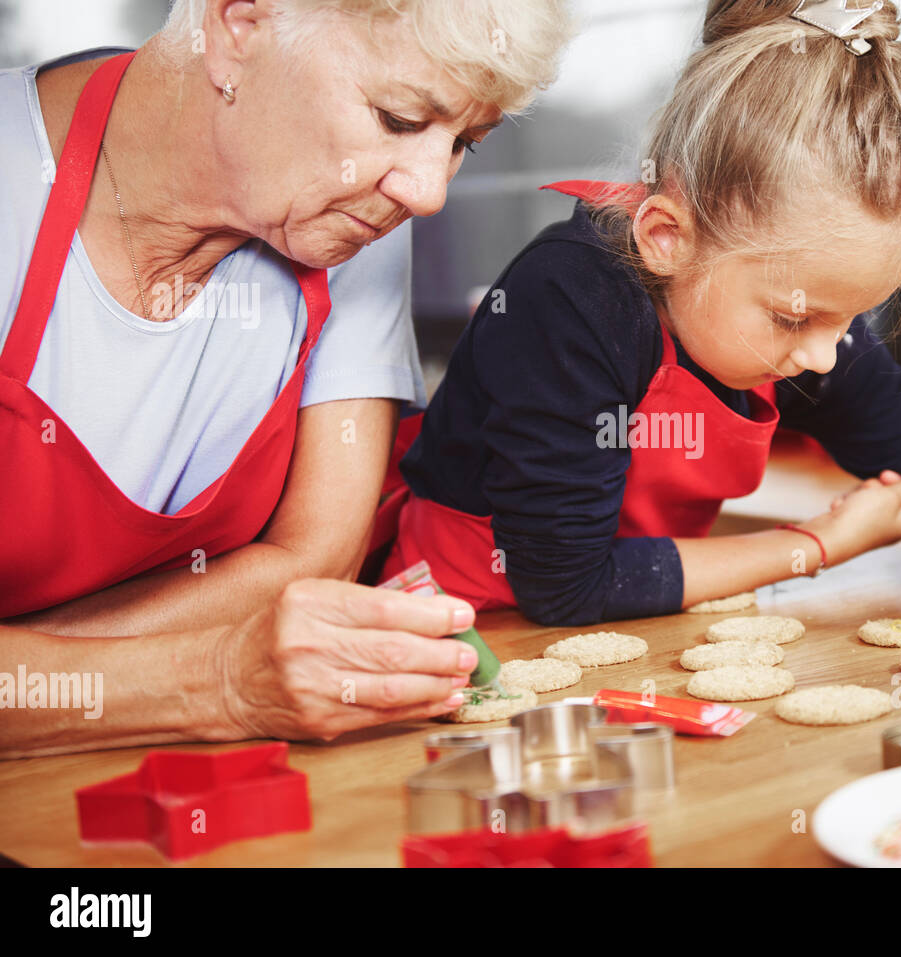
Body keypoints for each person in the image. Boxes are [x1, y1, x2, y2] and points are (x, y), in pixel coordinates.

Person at [0, 0, 571, 757]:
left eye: (464, 141)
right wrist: (217, 680)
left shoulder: (350, 220)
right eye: (399, 118)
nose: (428, 192)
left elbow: (314, 560)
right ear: (238, 26)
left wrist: (36, 669)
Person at [387, 0, 901, 626]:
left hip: (635, 622)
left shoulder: (801, 315)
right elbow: (565, 583)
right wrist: (819, 544)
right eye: (793, 319)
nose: (827, 356)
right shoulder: (568, 302)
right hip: (458, 623)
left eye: (853, 317)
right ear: (667, 238)